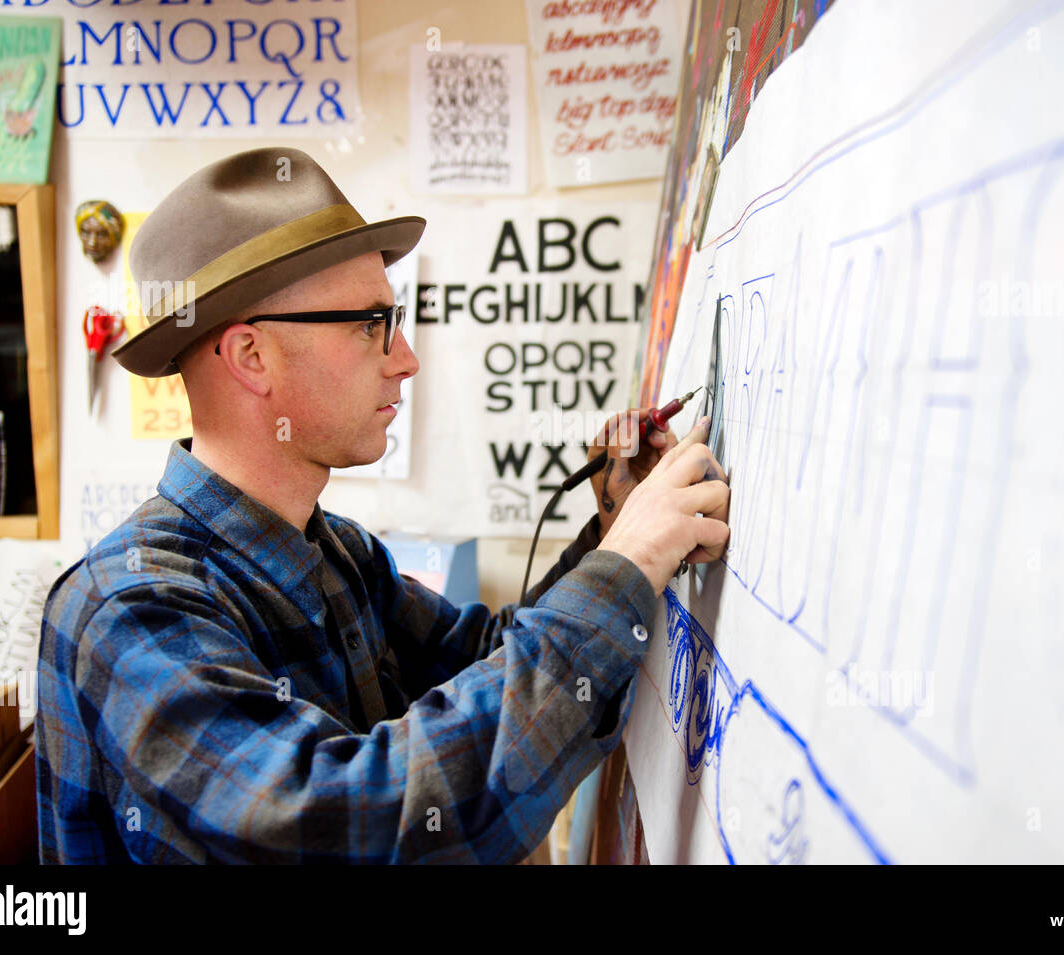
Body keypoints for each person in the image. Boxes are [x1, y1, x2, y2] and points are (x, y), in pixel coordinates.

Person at [36, 147, 730, 864]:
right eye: (370, 323)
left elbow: (485, 660)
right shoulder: (128, 607)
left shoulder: (336, 552)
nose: (404, 357)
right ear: (251, 357)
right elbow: (338, 823)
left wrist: (618, 528)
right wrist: (623, 568)